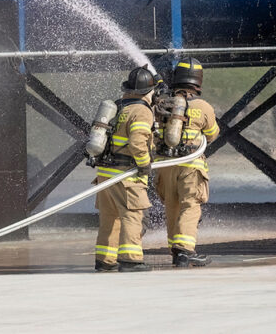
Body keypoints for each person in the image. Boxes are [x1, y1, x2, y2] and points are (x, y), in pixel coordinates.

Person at [154, 59, 220, 268]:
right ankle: (185, 251)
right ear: (198, 82)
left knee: (172, 207)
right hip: (191, 165)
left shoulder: (162, 104)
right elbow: (212, 135)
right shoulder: (203, 107)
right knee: (190, 205)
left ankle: (176, 251)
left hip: (164, 165)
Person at [93, 66, 157, 272]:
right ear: (147, 92)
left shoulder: (117, 107)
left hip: (105, 174)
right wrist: (145, 164)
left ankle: (105, 260)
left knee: (109, 217)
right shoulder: (142, 111)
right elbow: (138, 142)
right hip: (125, 175)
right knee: (132, 214)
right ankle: (130, 259)